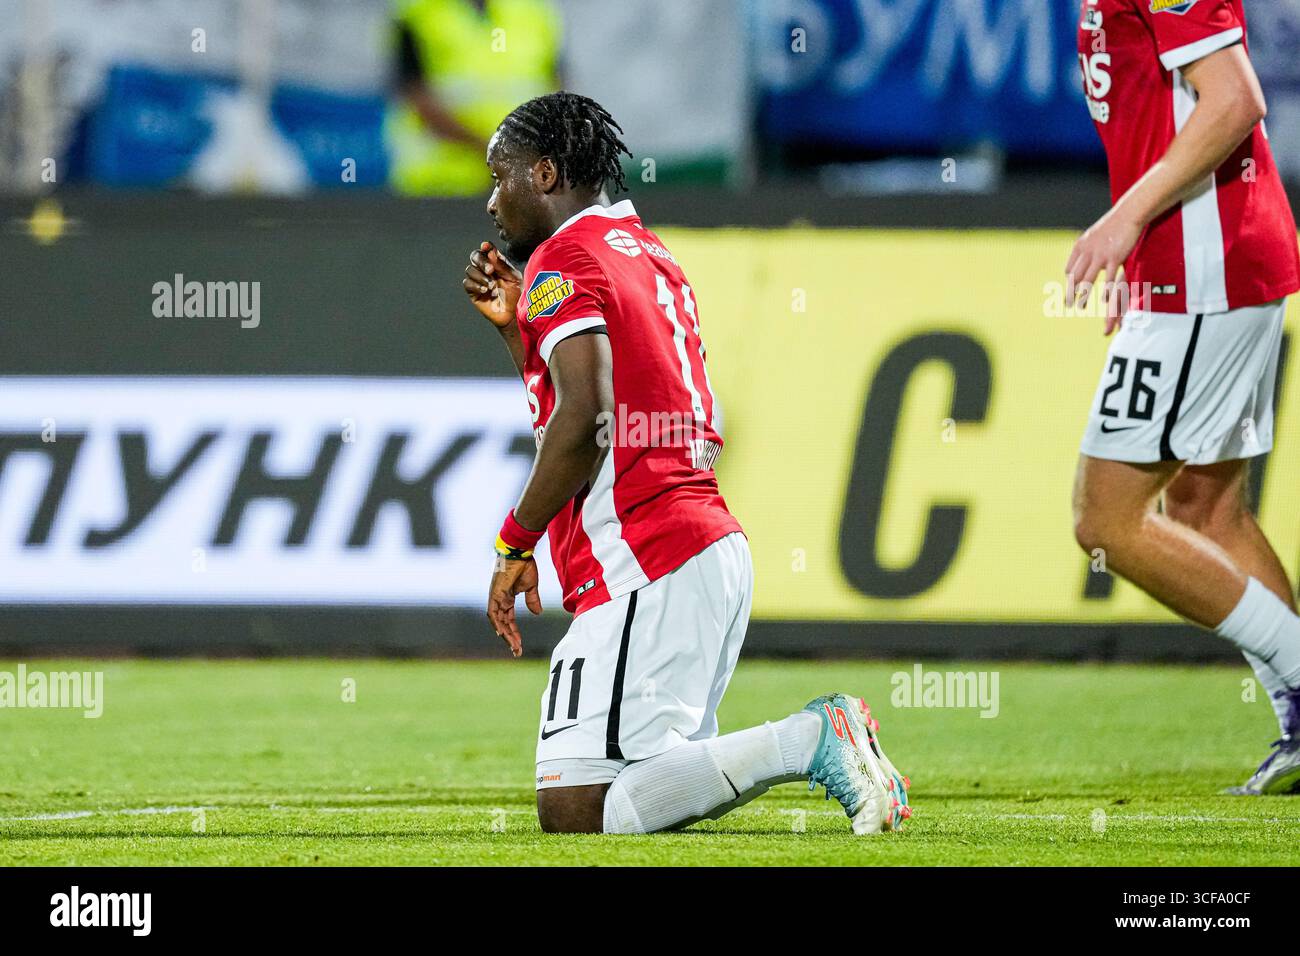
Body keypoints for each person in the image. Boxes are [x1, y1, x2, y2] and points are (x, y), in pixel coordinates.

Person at [460, 91, 911, 833]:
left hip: (650, 555)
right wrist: (521, 339)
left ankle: (810, 737)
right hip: (696, 549)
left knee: (580, 807)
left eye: (499, 175)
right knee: (600, 798)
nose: (489, 201)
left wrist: (514, 540)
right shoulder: (648, 254)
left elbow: (584, 420)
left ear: (542, 173)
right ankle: (811, 741)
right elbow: (599, 403)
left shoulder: (561, 260)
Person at [1069, 0, 1300, 794]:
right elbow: (1152, 112)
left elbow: (1234, 98)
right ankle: (1298, 728)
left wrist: (1125, 223)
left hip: (1212, 268)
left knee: (1107, 521)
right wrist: (1139, 255)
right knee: (1207, 512)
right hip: (1199, 264)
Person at [388, 0, 560, 195]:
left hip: (522, 187)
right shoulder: (418, 14)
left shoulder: (533, 13)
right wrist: (501, 154)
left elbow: (556, 95)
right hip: (441, 187)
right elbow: (420, 102)